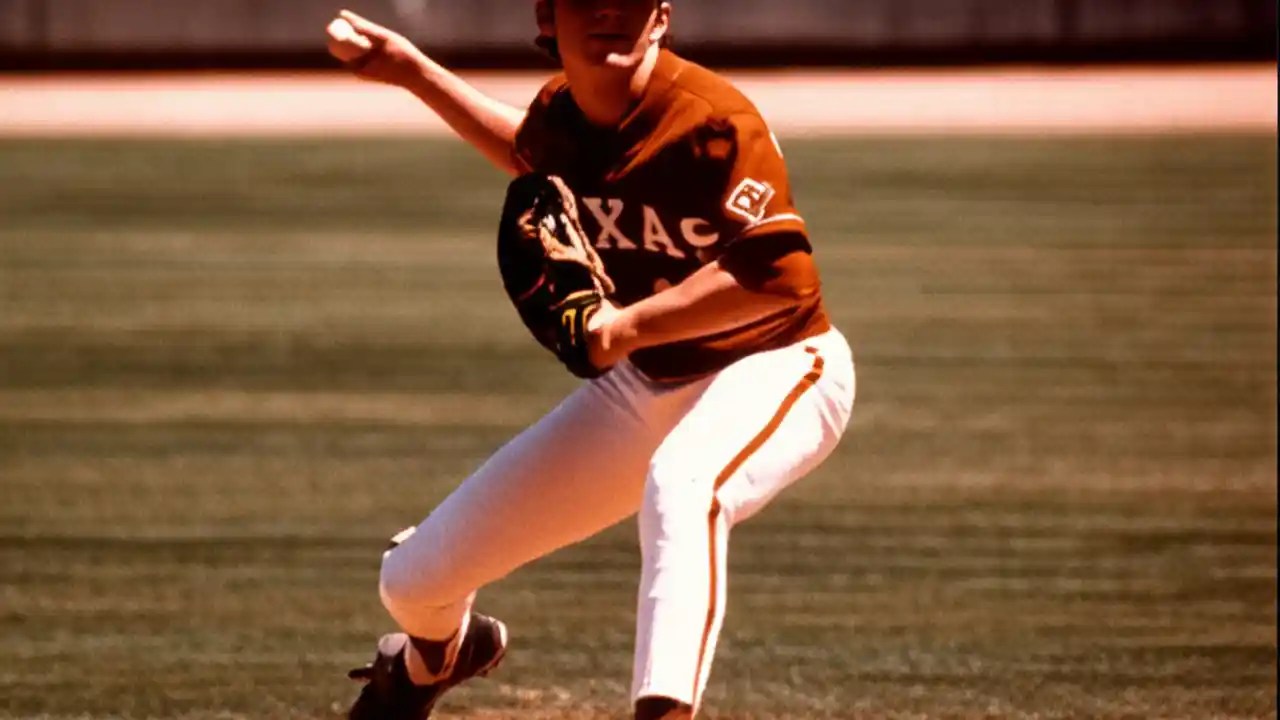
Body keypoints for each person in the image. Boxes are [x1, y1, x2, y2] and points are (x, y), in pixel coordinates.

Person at [331, 1, 856, 718]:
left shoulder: (713, 119)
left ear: (661, 18)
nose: (610, 8)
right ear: (549, 16)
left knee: (684, 484)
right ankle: (430, 663)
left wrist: (624, 328)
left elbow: (780, 277)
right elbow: (527, 150)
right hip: (648, 383)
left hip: (781, 364)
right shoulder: (561, 116)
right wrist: (412, 72)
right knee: (413, 581)